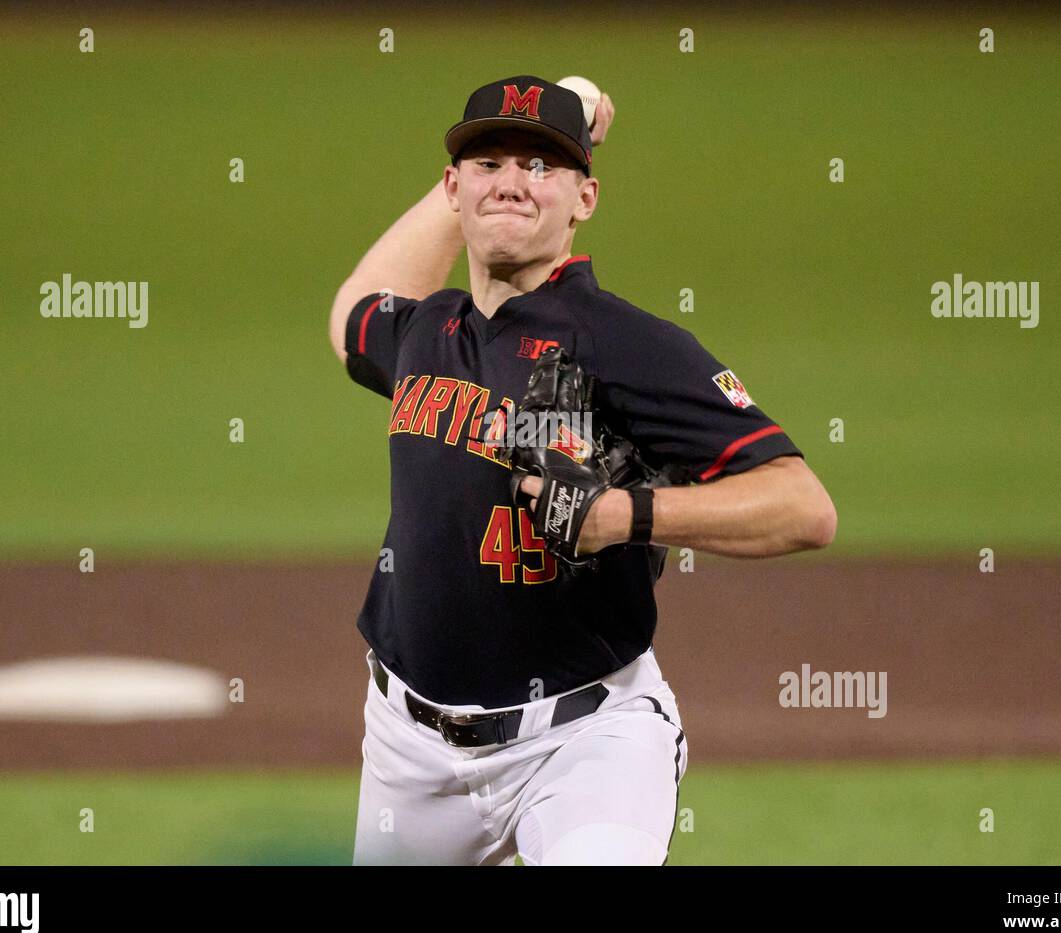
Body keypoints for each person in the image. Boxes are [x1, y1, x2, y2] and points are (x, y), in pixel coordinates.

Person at [329, 75, 836, 865]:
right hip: (407, 758)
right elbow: (354, 307)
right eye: (490, 163)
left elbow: (804, 508)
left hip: (586, 744)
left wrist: (626, 517)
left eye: (541, 167)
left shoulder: (624, 342)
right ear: (451, 188)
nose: (513, 182)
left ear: (585, 199)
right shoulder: (425, 331)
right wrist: (482, 190)